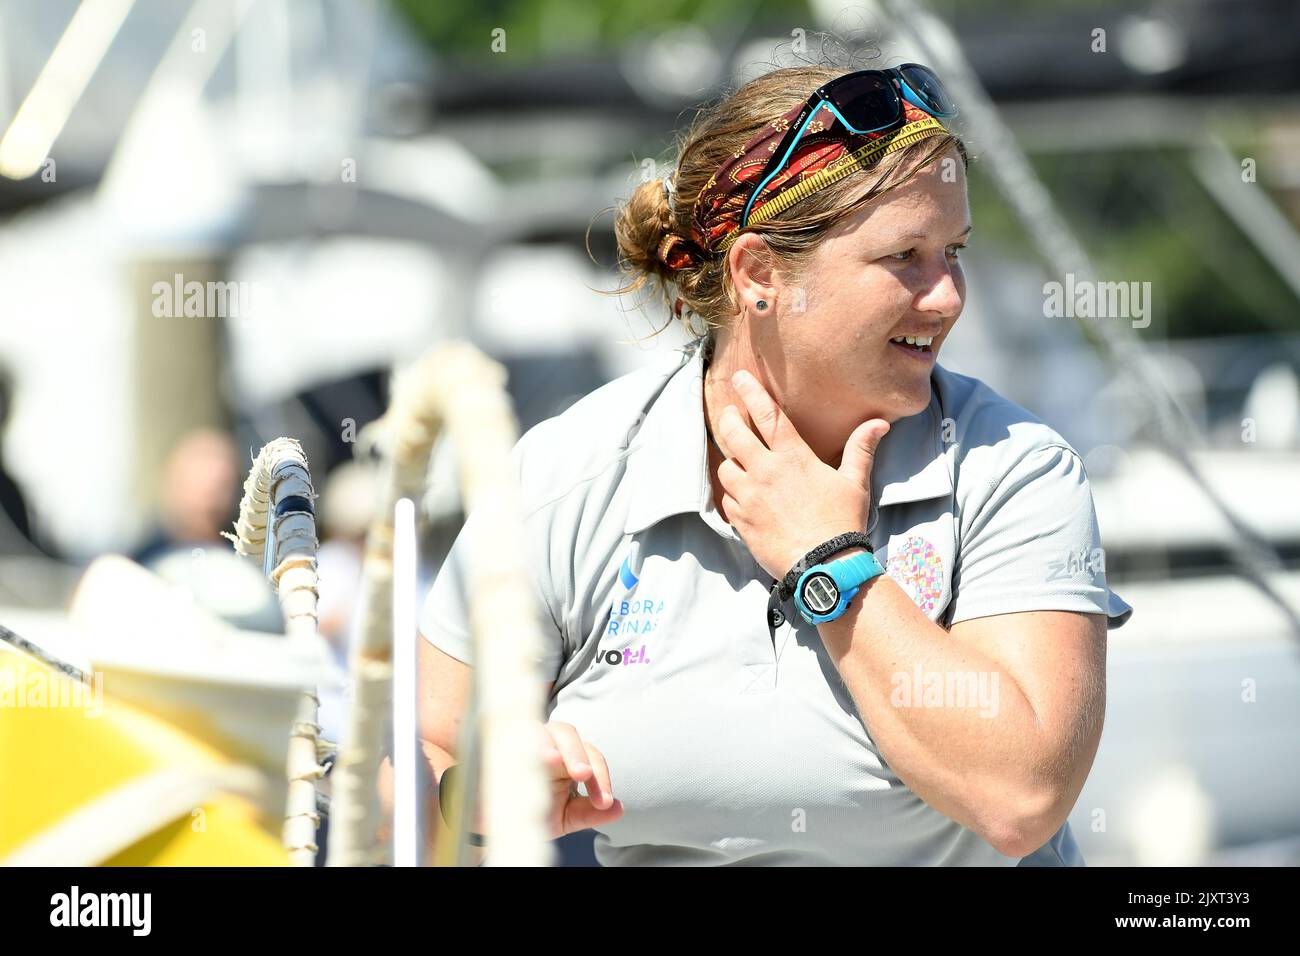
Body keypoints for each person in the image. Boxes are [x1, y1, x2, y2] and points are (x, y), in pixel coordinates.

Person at [416, 60, 1132, 866]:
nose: (948, 297)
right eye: (905, 256)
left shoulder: (1015, 471)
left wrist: (828, 562)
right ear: (759, 275)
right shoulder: (567, 475)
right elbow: (420, 756)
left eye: (954, 251)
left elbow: (1022, 799)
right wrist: (475, 791)